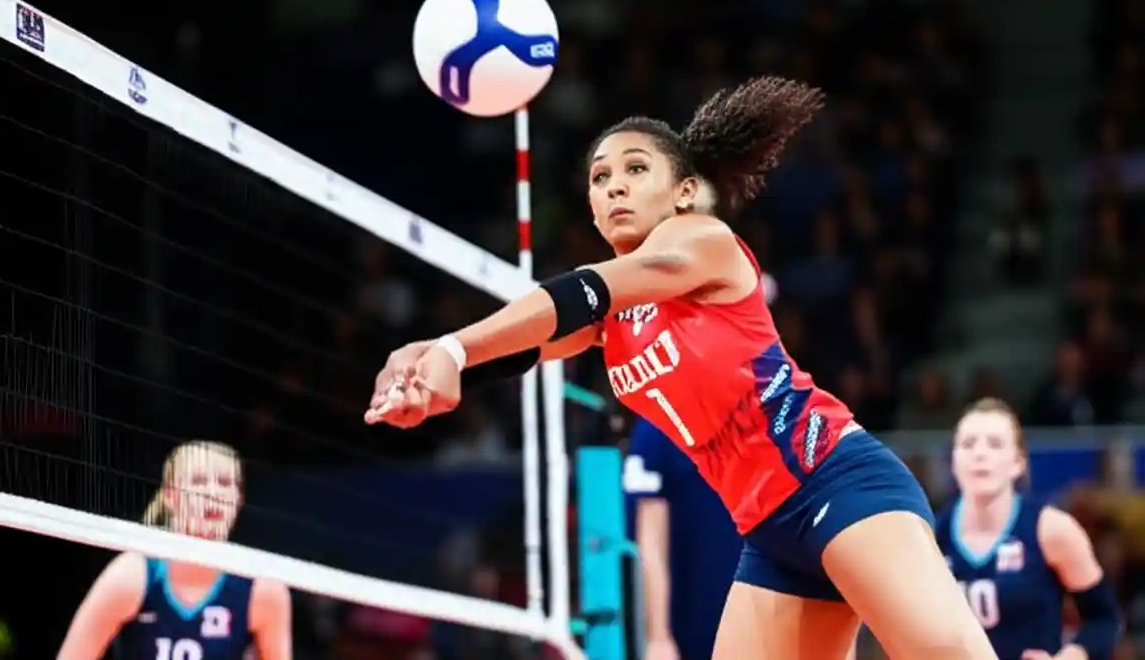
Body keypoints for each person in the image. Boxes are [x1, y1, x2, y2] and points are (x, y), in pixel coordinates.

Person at [365, 76, 997, 658]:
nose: (613, 185)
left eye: (635, 169)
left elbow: (581, 291)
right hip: (769, 533)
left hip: (837, 482)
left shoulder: (700, 242)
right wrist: (429, 374)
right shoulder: (611, 321)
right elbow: (526, 345)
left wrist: (452, 347)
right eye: (599, 177)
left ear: (685, 191)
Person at [58, 441, 292, 660]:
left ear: (238, 499)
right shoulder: (132, 576)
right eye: (199, 481)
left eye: (225, 483)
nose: (214, 493)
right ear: (170, 496)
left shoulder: (263, 589)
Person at [937, 398, 1120, 660]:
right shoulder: (929, 536)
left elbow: (1104, 619)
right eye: (968, 444)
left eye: (995, 444)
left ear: (1018, 462)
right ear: (953, 461)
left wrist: (1069, 657)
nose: (980, 453)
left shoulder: (1052, 529)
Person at [624, 416, 740, 660]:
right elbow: (651, 539)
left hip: (758, 619)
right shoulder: (659, 422)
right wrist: (659, 637)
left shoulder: (768, 408)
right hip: (690, 624)